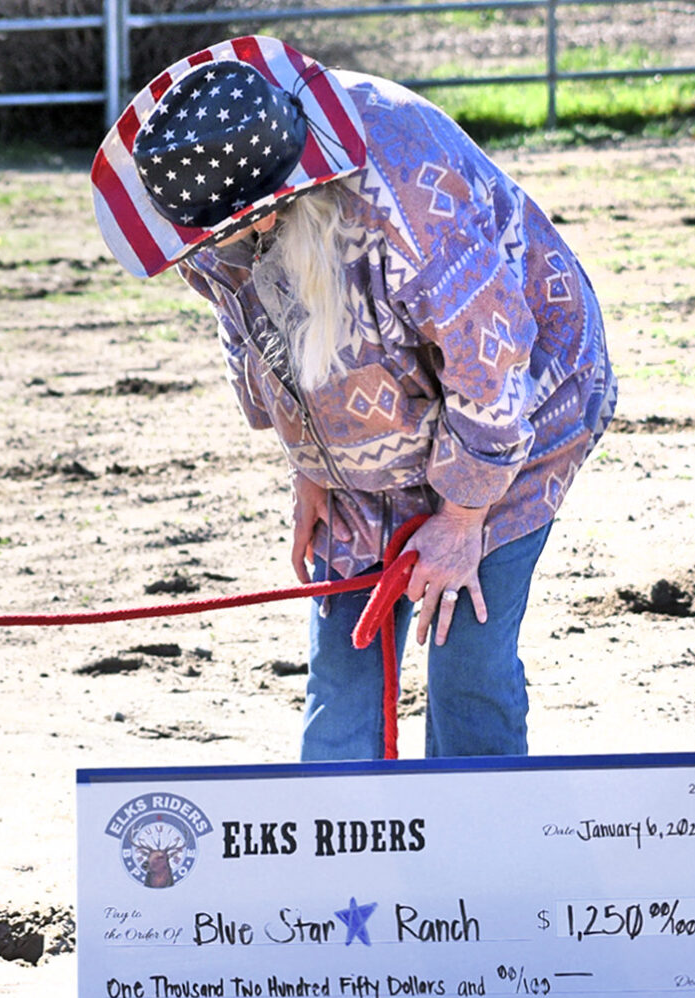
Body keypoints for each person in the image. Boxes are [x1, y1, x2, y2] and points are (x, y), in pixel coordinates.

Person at [92, 36, 615, 761]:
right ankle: (339, 858)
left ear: (275, 202)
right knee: (343, 672)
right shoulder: (203, 206)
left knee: (466, 659)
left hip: (519, 408)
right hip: (360, 438)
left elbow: (489, 361)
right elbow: (252, 331)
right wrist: (311, 464)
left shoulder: (410, 194)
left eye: (245, 227)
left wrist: (462, 518)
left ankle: (477, 853)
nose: (231, 246)